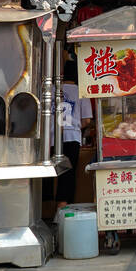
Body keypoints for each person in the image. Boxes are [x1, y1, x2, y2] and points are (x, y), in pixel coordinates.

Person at [55, 61, 92, 218]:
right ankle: (62, 208)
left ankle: (58, 207)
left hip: (54, 138)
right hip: (72, 137)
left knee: (58, 172)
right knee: (68, 173)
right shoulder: (81, 92)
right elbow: (87, 121)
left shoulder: (55, 90)